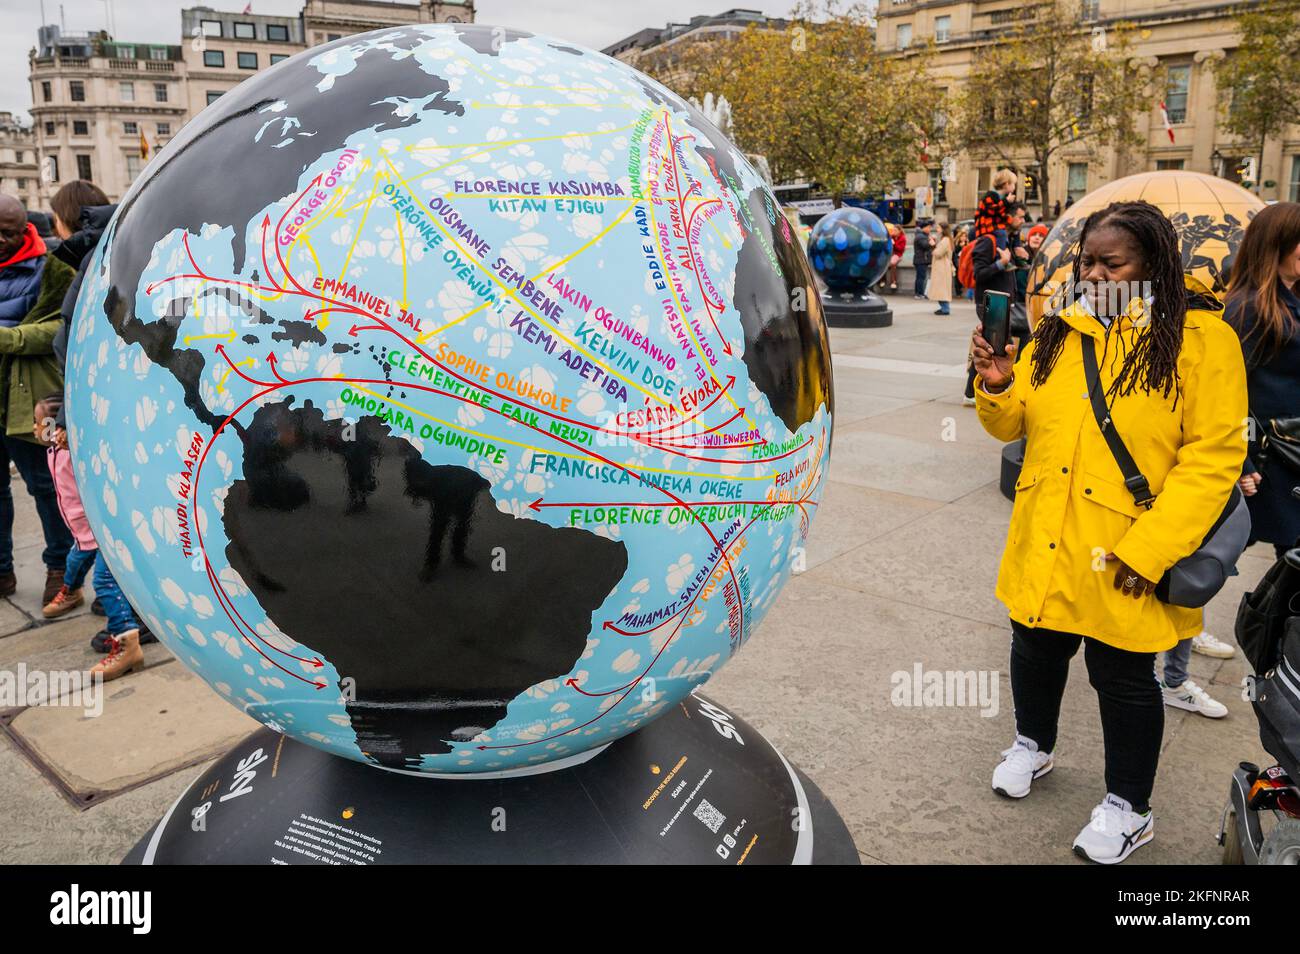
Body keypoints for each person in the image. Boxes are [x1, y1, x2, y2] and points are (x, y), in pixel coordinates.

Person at [972, 199, 1248, 863]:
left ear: (1153, 266)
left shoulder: (1201, 342)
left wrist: (1150, 550)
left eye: (1111, 262)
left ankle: (1129, 807)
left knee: (1122, 675)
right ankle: (1033, 747)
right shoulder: (1057, 333)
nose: (1092, 272)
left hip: (1128, 551)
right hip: (1045, 538)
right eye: (1086, 260)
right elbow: (1013, 429)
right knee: (1034, 650)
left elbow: (1214, 459)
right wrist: (998, 384)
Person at [34, 394, 145, 680]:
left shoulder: (77, 452)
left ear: (58, 429)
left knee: (104, 580)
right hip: (84, 533)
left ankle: (127, 643)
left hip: (101, 528)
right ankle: (70, 591)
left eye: (41, 424)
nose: (36, 430)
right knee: (75, 562)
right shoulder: (55, 452)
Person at [0, 194, 74, 605]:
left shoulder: (53, 269)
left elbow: (59, 328)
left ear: (26, 228)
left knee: (48, 488)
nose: (0, 240)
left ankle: (61, 569)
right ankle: (2, 571)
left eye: (8, 233)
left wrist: (11, 338)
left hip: (34, 401)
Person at [964, 201, 1028, 405]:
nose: (1023, 221)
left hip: (1004, 302)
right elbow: (979, 273)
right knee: (994, 347)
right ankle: (973, 393)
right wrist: (1000, 263)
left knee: (999, 343)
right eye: (1020, 216)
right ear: (1008, 217)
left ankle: (973, 393)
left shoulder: (1008, 242)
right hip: (991, 303)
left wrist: (1019, 259)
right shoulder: (988, 241)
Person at [975, 168, 1018, 253]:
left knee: (1011, 232)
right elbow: (992, 211)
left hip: (992, 225)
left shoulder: (1001, 198)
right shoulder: (990, 196)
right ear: (1006, 184)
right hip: (985, 226)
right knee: (1001, 233)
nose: (1014, 187)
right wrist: (1006, 202)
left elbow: (1001, 214)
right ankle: (1000, 256)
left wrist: (1010, 220)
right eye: (1013, 184)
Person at [929, 221, 953, 316]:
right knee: (941, 287)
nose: (937, 229)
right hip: (942, 266)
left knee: (941, 287)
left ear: (943, 229)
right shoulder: (946, 239)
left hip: (942, 267)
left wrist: (932, 245)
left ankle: (945, 308)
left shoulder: (945, 240)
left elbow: (938, 253)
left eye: (939, 228)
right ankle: (944, 307)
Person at [912, 219, 934, 300]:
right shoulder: (921, 236)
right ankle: (919, 293)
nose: (930, 229)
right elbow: (925, 246)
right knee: (921, 277)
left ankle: (919, 293)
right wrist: (931, 242)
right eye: (928, 227)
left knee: (921, 277)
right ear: (923, 228)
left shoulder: (923, 235)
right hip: (921, 260)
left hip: (921, 259)